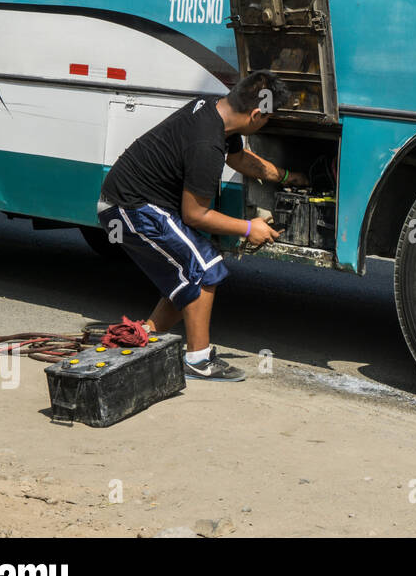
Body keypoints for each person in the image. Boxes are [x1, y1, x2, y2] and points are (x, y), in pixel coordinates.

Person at [96, 71, 307, 381]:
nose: (267, 123)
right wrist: (249, 228)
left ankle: (146, 333)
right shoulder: (206, 144)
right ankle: (197, 360)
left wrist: (287, 177)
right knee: (205, 265)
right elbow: (195, 214)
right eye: (268, 118)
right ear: (256, 115)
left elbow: (239, 160)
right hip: (128, 207)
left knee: (187, 270)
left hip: (142, 202)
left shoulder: (216, 112)